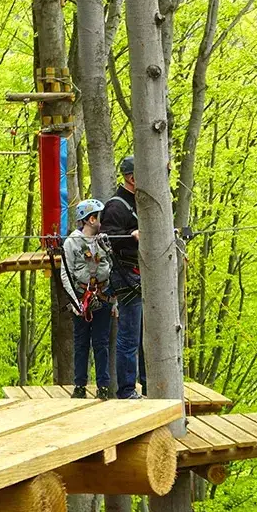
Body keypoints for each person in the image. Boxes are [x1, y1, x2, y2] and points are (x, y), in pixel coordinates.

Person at [101, 155, 147, 399]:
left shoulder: (143, 202)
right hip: (127, 276)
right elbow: (108, 238)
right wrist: (132, 235)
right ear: (132, 178)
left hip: (146, 276)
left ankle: (148, 385)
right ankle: (127, 390)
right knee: (129, 336)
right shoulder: (116, 206)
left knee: (147, 336)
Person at [64, 199, 114, 399]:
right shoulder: (72, 243)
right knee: (81, 343)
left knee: (101, 343)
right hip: (81, 297)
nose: (102, 221)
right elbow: (66, 274)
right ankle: (79, 385)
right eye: (99, 217)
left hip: (102, 296)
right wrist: (75, 302)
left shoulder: (104, 241)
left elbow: (112, 267)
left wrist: (115, 301)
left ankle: (103, 386)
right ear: (91, 219)